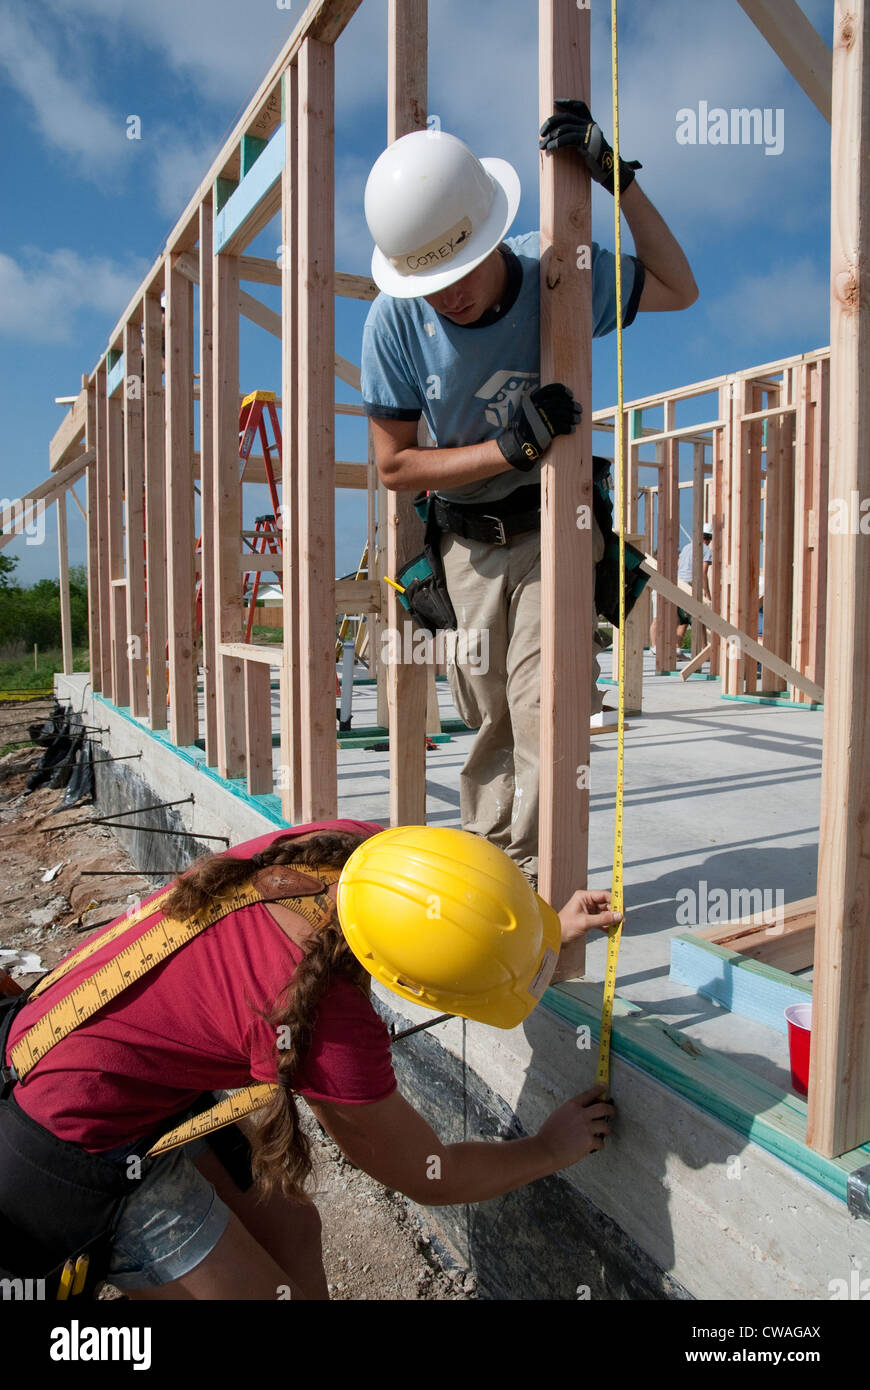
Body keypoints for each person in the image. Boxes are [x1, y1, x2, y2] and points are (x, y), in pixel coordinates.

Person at [1, 820, 621, 1301]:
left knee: (295, 1234)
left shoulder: (361, 852)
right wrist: (547, 1150)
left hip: (72, 1048)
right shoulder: (321, 1017)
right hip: (72, 1146)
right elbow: (430, 1174)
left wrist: (526, 940)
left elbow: (448, 905)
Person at [361, 103, 697, 887]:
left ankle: (542, 895)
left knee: (548, 709)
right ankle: (494, 876)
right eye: (428, 284)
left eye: (457, 275)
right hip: (466, 547)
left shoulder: (558, 273)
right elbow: (395, 467)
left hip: (554, 525)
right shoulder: (395, 322)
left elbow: (680, 287)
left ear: (486, 234)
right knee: (489, 727)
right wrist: (502, 447)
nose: (445, 299)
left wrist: (617, 177)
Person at [674, 521, 713, 658]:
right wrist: (707, 594)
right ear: (708, 538)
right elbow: (703, 573)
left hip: (679, 584)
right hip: (690, 586)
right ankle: (703, 651)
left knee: (683, 619)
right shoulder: (707, 550)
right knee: (698, 617)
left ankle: (677, 648)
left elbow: (678, 563)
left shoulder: (686, 547)